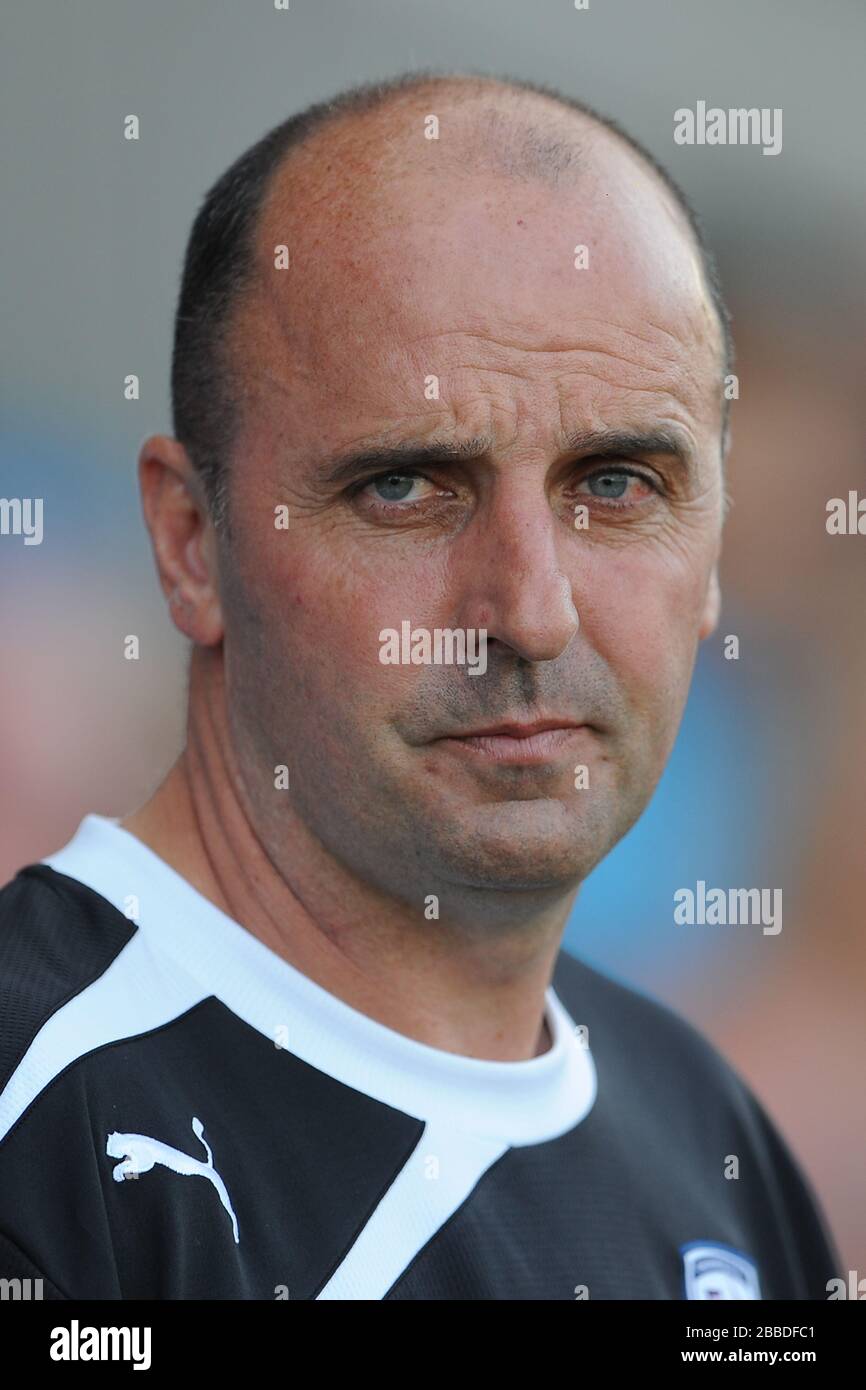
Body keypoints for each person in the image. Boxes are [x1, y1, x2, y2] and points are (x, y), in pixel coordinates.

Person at [0, 70, 841, 1300]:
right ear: (191, 545)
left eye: (616, 484)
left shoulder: (713, 1137)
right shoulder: (40, 1120)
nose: (532, 611)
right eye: (405, 488)